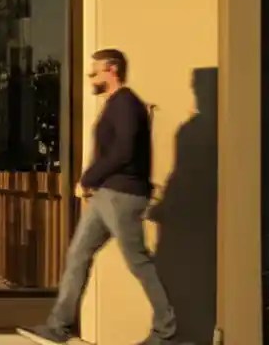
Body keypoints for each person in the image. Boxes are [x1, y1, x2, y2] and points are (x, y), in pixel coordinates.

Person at [17, 49, 179, 345]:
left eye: (95, 72)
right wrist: (94, 183)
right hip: (107, 194)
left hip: (122, 195)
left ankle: (166, 332)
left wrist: (88, 179)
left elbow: (124, 151)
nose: (91, 77)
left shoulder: (126, 105)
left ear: (112, 70)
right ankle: (58, 326)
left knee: (138, 261)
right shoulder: (116, 105)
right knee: (78, 254)